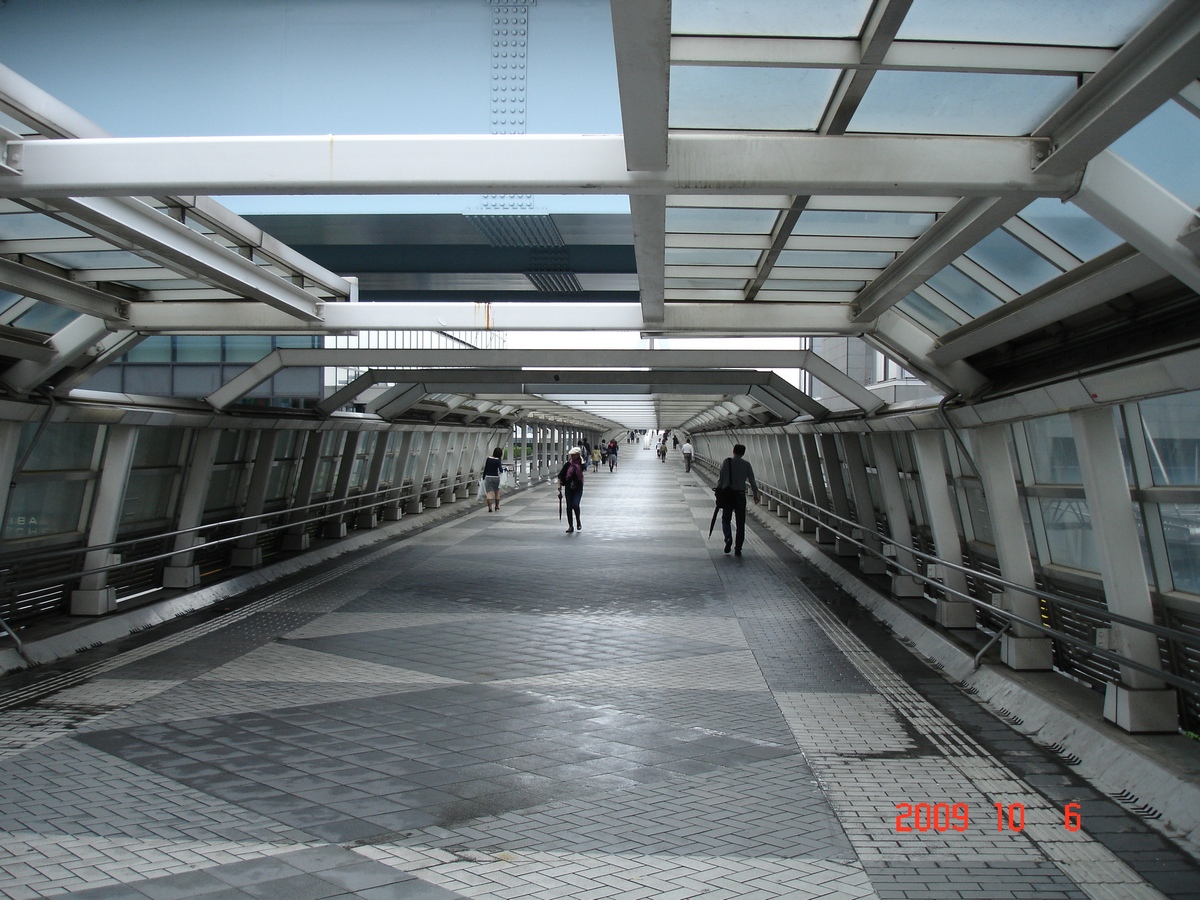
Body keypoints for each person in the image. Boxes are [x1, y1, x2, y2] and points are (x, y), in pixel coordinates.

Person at [715, 443, 760, 556]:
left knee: (726, 519)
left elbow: (721, 479)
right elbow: (752, 481)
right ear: (743, 453)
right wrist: (755, 494)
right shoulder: (746, 464)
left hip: (728, 495)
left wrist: (718, 492)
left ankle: (728, 537)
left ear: (733, 451)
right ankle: (738, 548)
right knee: (740, 522)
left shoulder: (726, 462)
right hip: (740, 495)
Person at [558, 447, 586, 533]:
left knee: (575, 504)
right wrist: (559, 484)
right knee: (569, 506)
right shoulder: (568, 464)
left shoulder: (581, 464)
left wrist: (581, 459)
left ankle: (578, 520)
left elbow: (584, 467)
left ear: (578, 455)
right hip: (568, 488)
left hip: (578, 488)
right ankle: (570, 526)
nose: (572, 456)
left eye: (574, 455)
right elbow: (561, 475)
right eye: (571, 455)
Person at [481, 447, 505, 512]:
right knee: (496, 492)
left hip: (488, 477)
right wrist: (505, 469)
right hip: (496, 477)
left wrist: (483, 477)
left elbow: (485, 469)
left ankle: (490, 507)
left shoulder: (488, 459)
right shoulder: (498, 460)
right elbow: (501, 470)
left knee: (488, 492)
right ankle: (496, 506)